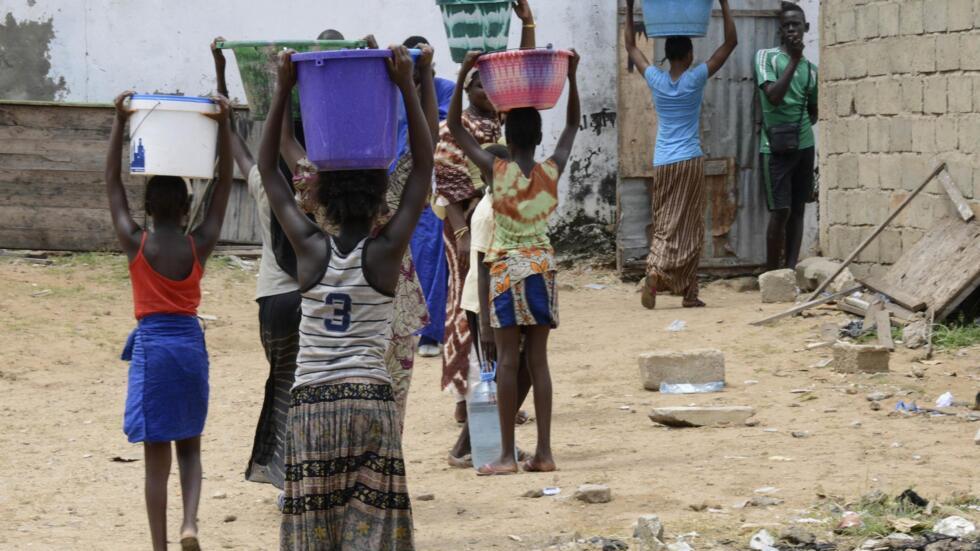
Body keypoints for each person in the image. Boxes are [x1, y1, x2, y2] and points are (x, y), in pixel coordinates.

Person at [259, 45, 432, 549]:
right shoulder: (383, 254)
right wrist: (406, 86)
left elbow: (269, 170)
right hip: (369, 399)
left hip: (311, 403)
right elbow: (422, 170)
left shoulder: (310, 250)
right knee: (374, 535)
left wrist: (283, 89)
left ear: (322, 197)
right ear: (382, 197)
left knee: (316, 533)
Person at [285, 38, 440, 429]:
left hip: (336, 324)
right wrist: (416, 78)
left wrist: (283, 89)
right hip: (394, 314)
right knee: (389, 420)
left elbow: (282, 148)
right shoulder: (389, 195)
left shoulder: (320, 195)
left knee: (333, 419)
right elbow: (428, 150)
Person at [106, 90, 232, 551]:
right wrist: (226, 126)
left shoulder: (135, 242)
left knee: (155, 461)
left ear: (147, 209)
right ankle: (190, 524)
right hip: (189, 348)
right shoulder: (199, 243)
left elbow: (112, 186)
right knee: (191, 447)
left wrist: (120, 122)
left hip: (153, 350)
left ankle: (160, 546)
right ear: (185, 209)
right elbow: (222, 188)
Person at [449, 48, 581, 475]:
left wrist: (465, 71)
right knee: (538, 362)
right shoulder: (550, 170)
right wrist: (573, 76)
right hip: (542, 267)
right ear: (539, 138)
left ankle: (506, 454)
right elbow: (575, 124)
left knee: (508, 361)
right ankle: (544, 452)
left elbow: (453, 127)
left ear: (508, 132)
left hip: (507, 270)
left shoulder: (495, 170)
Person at [436, 0, 537, 424]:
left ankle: (496, 393)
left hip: (500, 229)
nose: (487, 92)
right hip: (468, 232)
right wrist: (461, 238)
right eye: (478, 86)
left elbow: (526, 73)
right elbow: (445, 191)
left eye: (488, 86)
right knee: (469, 310)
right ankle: (467, 399)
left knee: (498, 312)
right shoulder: (453, 130)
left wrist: (526, 21)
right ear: (468, 90)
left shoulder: (498, 122)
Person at [210, 37, 302, 493]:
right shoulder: (316, 192)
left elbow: (234, 138)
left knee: (282, 387)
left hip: (273, 301)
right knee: (310, 392)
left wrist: (221, 71)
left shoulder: (266, 183)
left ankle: (283, 478)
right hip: (311, 301)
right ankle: (307, 478)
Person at [624, 0, 737, 309]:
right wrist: (724, 4)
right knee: (690, 224)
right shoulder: (695, 78)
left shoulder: (657, 80)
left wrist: (632, 7)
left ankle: (661, 274)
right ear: (688, 55)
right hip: (689, 160)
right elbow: (730, 43)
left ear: (667, 56)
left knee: (665, 222)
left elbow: (631, 47)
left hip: (663, 161)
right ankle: (682, 288)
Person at [448, 144, 535, 468]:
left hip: (501, 299)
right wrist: (485, 324)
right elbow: (483, 268)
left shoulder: (505, 202)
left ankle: (488, 444)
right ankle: (465, 449)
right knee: (500, 377)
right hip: (484, 305)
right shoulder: (487, 211)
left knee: (516, 371)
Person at [402, 34, 456, 361]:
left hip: (436, 185)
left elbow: (441, 133)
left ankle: (431, 332)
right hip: (401, 183)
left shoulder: (445, 90)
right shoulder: (394, 92)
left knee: (433, 256)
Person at [756, 2, 818, 270]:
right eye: (787, 25)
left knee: (799, 209)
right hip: (775, 148)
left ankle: (790, 270)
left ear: (806, 28)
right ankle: (771, 273)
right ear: (780, 30)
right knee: (780, 211)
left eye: (796, 24)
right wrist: (793, 60)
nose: (792, 29)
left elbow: (813, 111)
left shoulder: (812, 70)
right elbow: (773, 96)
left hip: (804, 145)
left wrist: (798, 130)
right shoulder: (766, 57)